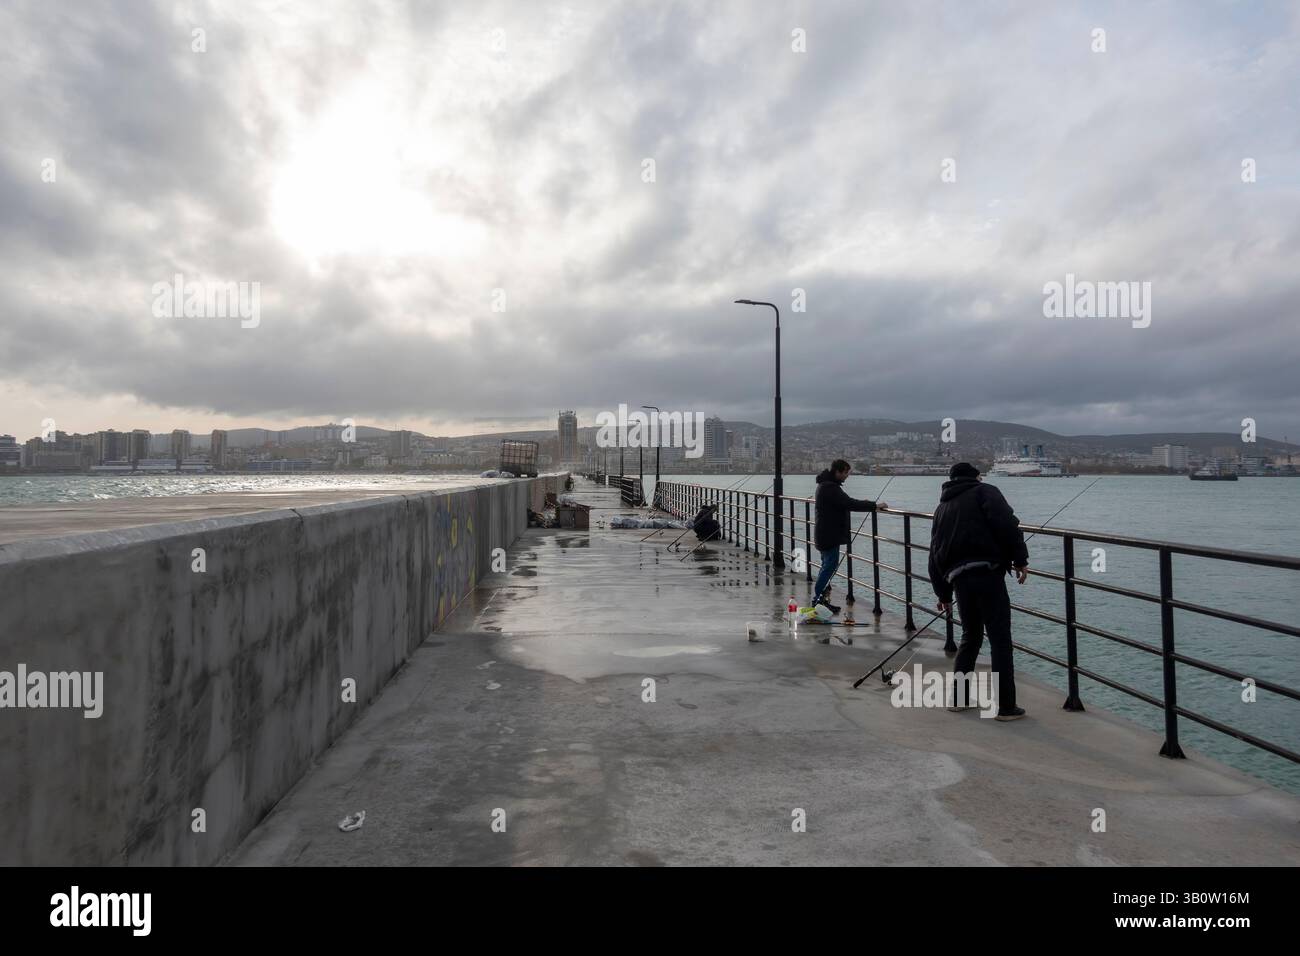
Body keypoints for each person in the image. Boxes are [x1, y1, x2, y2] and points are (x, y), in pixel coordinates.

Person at [928, 462, 1029, 721]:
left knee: (970, 636)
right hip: (987, 573)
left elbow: (934, 554)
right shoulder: (985, 491)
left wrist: (942, 594)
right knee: (1000, 640)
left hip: (959, 578)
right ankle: (1006, 707)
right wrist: (1020, 559)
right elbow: (1007, 524)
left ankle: (959, 699)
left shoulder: (942, 508)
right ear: (976, 476)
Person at [812, 459, 887, 614]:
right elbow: (849, 503)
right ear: (838, 472)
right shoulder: (830, 488)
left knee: (826, 567)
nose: (847, 476)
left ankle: (822, 602)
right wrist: (873, 505)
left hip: (824, 534)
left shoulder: (825, 485)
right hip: (829, 536)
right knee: (829, 567)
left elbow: (845, 502)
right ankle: (817, 601)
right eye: (846, 472)